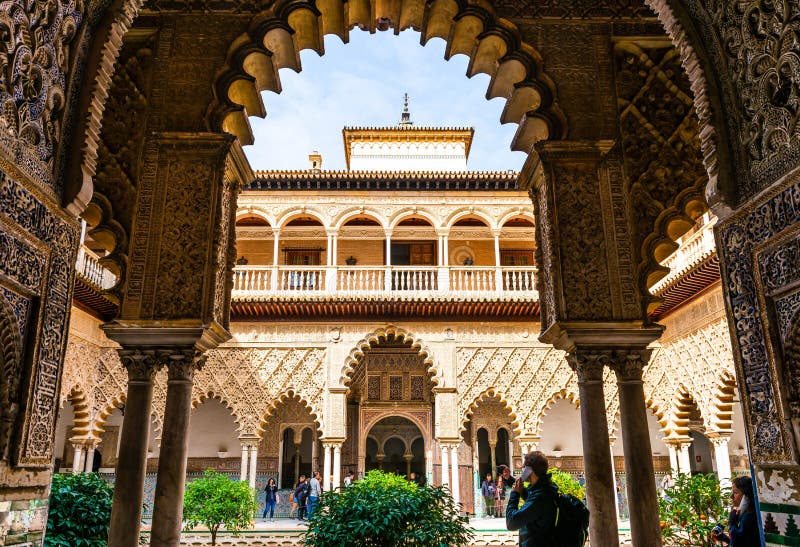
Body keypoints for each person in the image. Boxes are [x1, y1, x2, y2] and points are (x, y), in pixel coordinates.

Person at [506, 452, 559, 546]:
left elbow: (511, 523)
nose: (522, 470)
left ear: (529, 470)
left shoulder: (541, 496)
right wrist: (512, 482)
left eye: (524, 468)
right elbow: (530, 498)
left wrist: (514, 494)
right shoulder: (545, 488)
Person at [712, 475, 760, 546]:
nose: (731, 496)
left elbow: (737, 544)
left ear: (746, 496)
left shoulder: (750, 516)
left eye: (735, 493)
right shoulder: (745, 513)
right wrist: (723, 537)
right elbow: (740, 540)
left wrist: (731, 523)